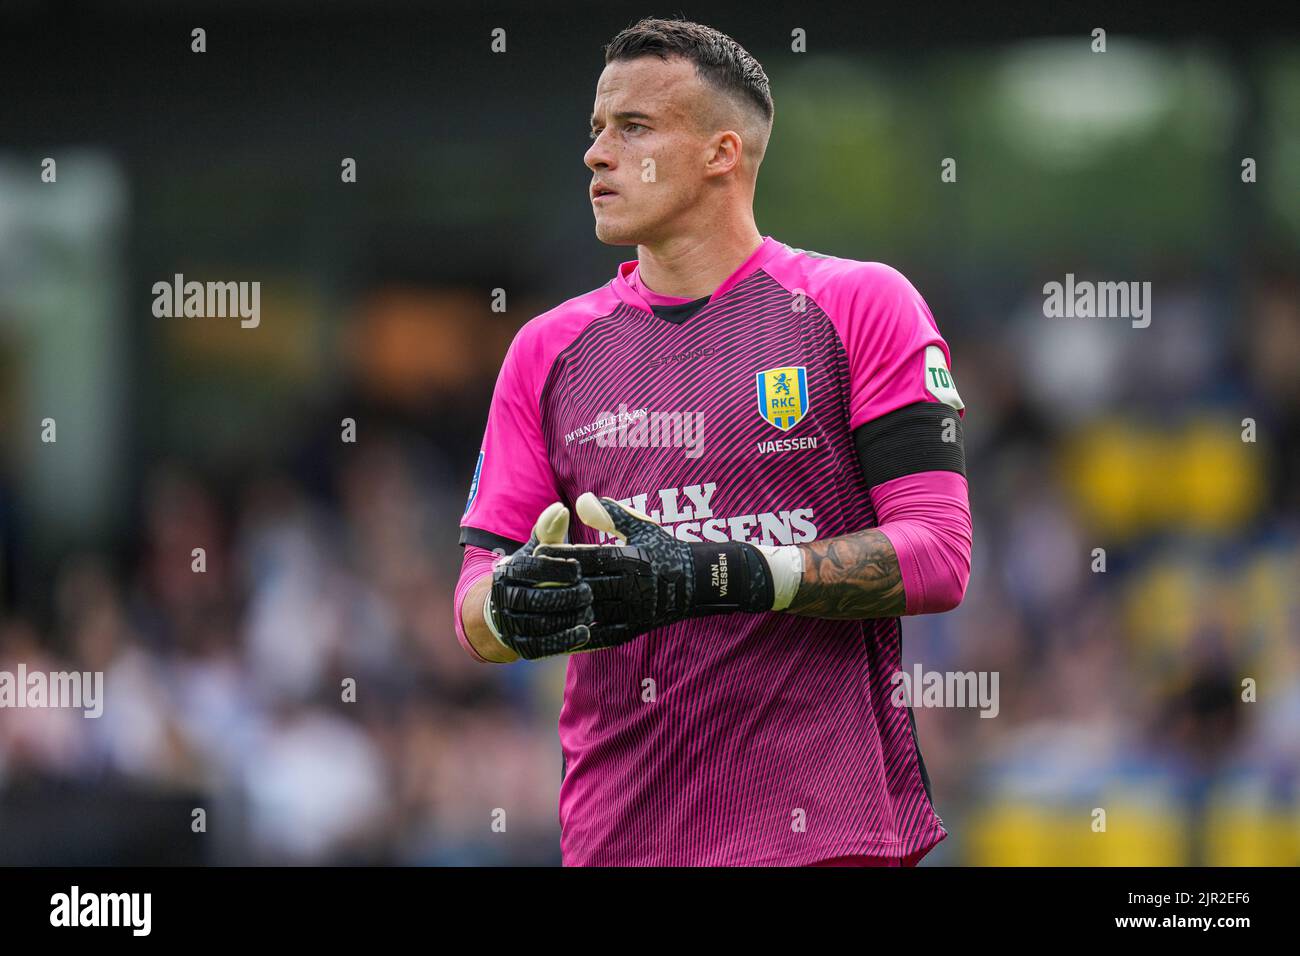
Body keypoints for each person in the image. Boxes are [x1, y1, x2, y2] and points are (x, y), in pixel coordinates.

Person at [454, 17, 972, 866]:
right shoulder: (544, 351)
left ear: (721, 153)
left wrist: (716, 575)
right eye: (595, 130)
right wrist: (514, 602)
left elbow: (938, 554)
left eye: (634, 128)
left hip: (825, 840)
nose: (595, 154)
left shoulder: (861, 305)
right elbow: (473, 609)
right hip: (615, 842)